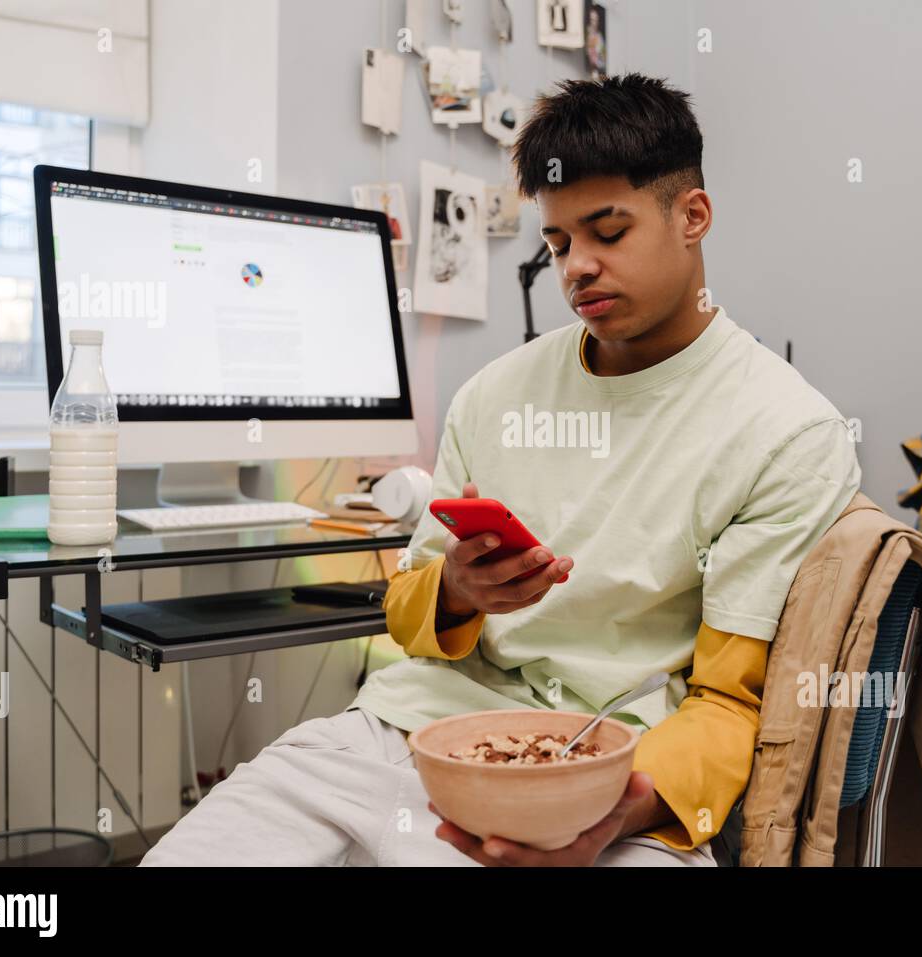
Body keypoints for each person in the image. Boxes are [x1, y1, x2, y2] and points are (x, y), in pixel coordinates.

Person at [142, 73, 860, 868]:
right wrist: (456, 591)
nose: (576, 267)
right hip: (403, 736)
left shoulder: (787, 431)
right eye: (557, 245)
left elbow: (730, 703)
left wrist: (602, 815)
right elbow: (409, 611)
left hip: (610, 765)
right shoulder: (496, 395)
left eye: (607, 232)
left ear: (692, 217)